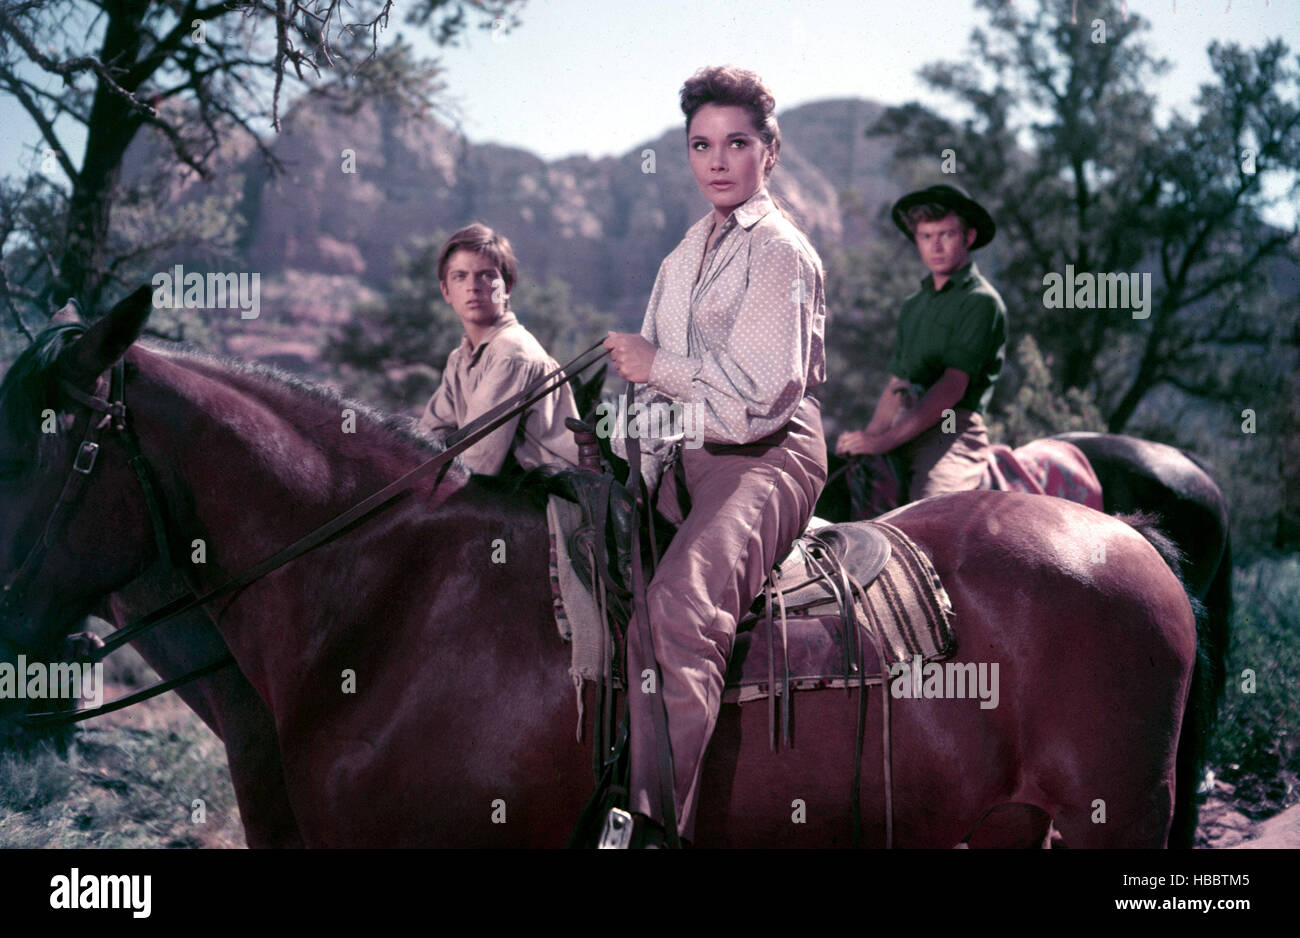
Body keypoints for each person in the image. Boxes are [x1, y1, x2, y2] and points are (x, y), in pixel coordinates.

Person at [603, 66, 828, 845]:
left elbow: (754, 400)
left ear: (770, 150)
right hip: (680, 454)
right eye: (701, 145)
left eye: (736, 142)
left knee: (677, 613)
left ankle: (655, 831)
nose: (717, 161)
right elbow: (650, 383)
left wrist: (653, 366)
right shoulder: (684, 253)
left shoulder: (780, 253)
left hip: (762, 454)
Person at [834, 184, 1006, 501]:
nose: (935, 246)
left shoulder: (981, 302)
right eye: (926, 237)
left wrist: (884, 442)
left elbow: (952, 387)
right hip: (904, 423)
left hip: (952, 430)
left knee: (930, 513)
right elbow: (898, 383)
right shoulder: (915, 305)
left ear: (968, 237)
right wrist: (869, 437)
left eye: (946, 234)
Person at [418, 223, 581, 475]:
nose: (473, 286)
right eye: (460, 276)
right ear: (446, 291)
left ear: (507, 286)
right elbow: (430, 437)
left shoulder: (511, 351)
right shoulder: (460, 357)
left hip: (543, 496)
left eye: (486, 275)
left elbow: (477, 463)